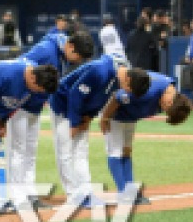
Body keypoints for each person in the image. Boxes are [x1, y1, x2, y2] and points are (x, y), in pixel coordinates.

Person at [10, 31, 96, 208]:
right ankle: (16, 196)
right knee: (18, 151)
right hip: (21, 105)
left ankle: (30, 194)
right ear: (70, 46)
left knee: (30, 152)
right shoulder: (46, 50)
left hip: (34, 106)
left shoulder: (61, 52)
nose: (77, 61)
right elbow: (20, 68)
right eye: (77, 56)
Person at [50, 55, 150, 206]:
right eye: (129, 89)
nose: (126, 92)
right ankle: (74, 195)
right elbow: (75, 94)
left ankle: (86, 194)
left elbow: (101, 99)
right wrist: (74, 123)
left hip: (81, 110)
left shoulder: (117, 79)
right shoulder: (100, 70)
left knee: (81, 152)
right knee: (66, 152)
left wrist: (89, 118)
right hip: (63, 105)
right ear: (128, 79)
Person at [0, 59, 60, 209]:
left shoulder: (32, 82)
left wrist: (3, 122)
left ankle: (0, 199)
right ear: (32, 77)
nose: (37, 92)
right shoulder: (3, 76)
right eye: (38, 88)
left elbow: (16, 103)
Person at [100, 70, 192, 204]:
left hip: (130, 116)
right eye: (166, 107)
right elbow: (117, 97)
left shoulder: (170, 91)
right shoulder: (150, 90)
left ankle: (130, 192)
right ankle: (123, 194)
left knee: (126, 152)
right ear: (171, 101)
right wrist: (105, 117)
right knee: (115, 152)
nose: (163, 108)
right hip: (114, 113)